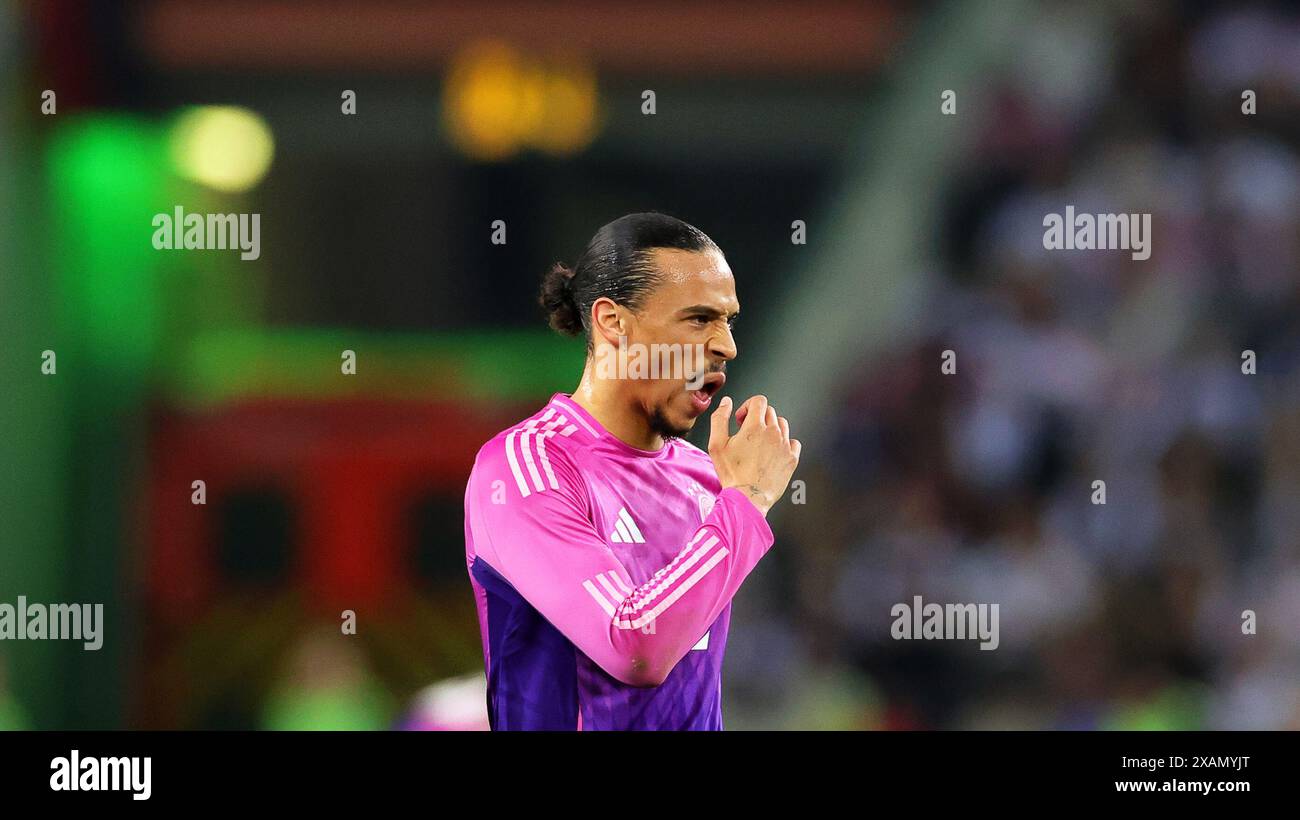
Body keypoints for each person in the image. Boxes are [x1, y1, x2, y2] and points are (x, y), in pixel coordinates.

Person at [463, 212, 800, 729]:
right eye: (697, 319)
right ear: (612, 322)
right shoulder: (526, 468)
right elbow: (635, 648)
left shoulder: (707, 479)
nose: (726, 345)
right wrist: (749, 498)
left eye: (728, 320)